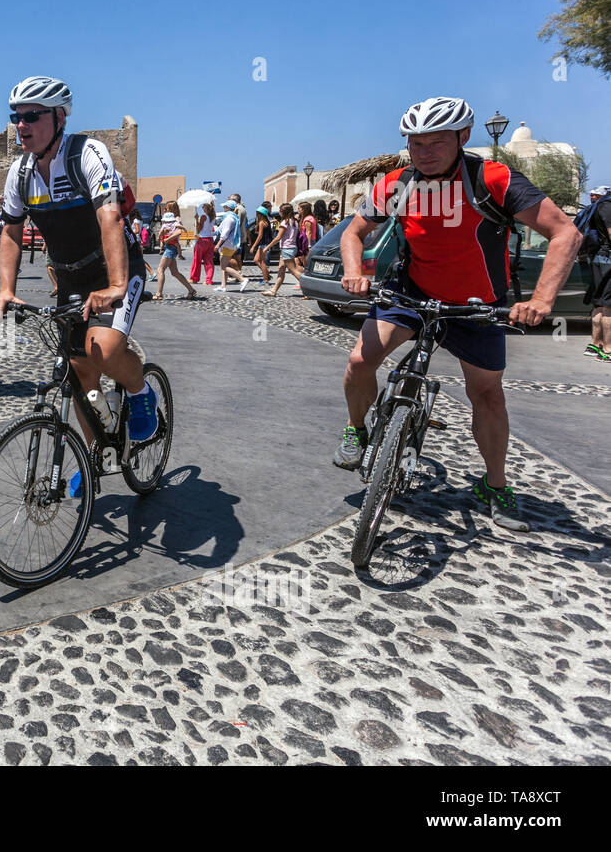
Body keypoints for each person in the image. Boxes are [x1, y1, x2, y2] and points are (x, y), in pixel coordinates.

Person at [334, 96, 580, 530]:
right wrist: (354, 271)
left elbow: (564, 233)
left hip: (476, 306)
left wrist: (541, 300)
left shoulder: (492, 178)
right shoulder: (397, 182)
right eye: (415, 143)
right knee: (358, 362)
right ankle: (357, 428)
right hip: (410, 292)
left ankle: (495, 485)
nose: (424, 152)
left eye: (436, 142)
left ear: (463, 137)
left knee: (487, 396)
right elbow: (355, 232)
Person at [0, 76, 158, 499]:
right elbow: (11, 232)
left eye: (31, 116)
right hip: (69, 276)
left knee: (101, 348)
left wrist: (117, 284)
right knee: (79, 368)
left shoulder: (87, 154)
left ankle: (141, 391)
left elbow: (109, 218)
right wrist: (6, 289)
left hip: (114, 269)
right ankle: (93, 454)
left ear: (59, 117)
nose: (20, 125)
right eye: (16, 117)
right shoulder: (21, 172)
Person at [580, 185, 611, 360]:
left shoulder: (595, 208)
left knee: (599, 304)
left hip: (599, 258)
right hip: (608, 260)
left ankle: (594, 345)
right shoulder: (608, 207)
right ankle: (608, 350)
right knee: (608, 307)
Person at [154, 216, 197, 300]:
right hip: (170, 247)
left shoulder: (176, 221)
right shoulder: (172, 222)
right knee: (175, 272)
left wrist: (167, 239)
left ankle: (159, 294)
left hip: (171, 248)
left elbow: (179, 231)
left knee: (160, 269)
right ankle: (191, 290)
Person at [214, 202, 248, 291]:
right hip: (230, 244)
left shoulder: (229, 218)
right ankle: (223, 286)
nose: (224, 208)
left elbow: (224, 234)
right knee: (224, 265)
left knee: (223, 266)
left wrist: (218, 244)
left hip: (227, 244)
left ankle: (242, 279)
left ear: (227, 208)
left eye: (225, 207)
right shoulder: (233, 217)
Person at [250, 204, 275, 283]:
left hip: (263, 244)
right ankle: (266, 274)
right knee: (256, 260)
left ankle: (266, 279)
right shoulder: (266, 221)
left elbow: (260, 236)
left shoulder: (261, 223)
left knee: (262, 262)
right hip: (265, 243)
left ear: (260, 214)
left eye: (257, 213)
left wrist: (253, 246)